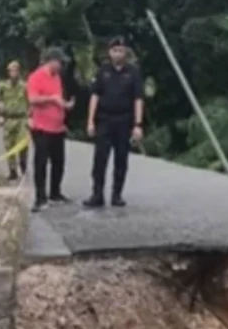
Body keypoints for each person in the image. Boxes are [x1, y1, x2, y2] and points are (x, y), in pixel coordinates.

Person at [84, 36, 145, 208]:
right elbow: (94, 96)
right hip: (104, 119)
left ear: (126, 52)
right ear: (109, 52)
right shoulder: (103, 70)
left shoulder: (133, 72)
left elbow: (138, 99)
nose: (118, 54)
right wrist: (90, 121)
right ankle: (97, 194)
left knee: (121, 159)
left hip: (124, 120)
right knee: (99, 160)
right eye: (115, 50)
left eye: (121, 50)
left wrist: (138, 125)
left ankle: (117, 194)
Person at [27, 47, 73, 212]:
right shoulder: (36, 77)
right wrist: (52, 99)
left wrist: (65, 106)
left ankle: (55, 192)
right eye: (60, 62)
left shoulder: (57, 78)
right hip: (41, 128)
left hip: (57, 127)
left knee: (58, 162)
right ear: (52, 61)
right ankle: (40, 197)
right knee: (41, 162)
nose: (62, 66)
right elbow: (33, 99)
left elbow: (58, 99)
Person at [0, 60, 30, 180]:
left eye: (15, 70)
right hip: (8, 119)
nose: (13, 72)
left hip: (21, 119)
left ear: (19, 71)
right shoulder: (3, 86)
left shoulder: (24, 86)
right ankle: (12, 171)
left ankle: (23, 164)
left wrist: (29, 114)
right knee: (9, 145)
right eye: (11, 70)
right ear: (8, 72)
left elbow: (31, 100)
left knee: (22, 145)